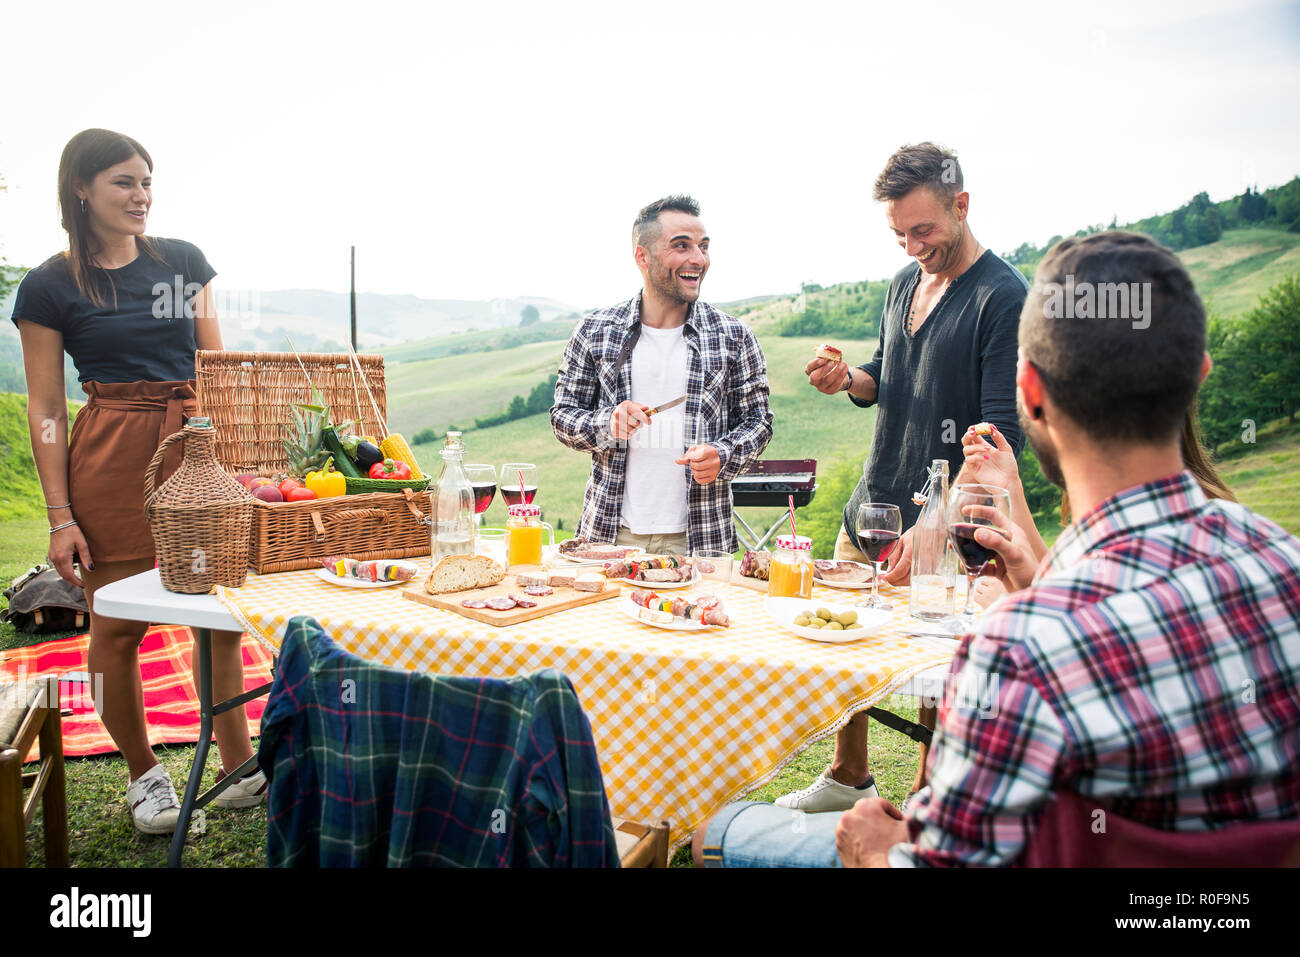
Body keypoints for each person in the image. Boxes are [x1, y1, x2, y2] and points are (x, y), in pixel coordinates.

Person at [694, 230, 1300, 867]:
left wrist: (872, 850)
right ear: (1197, 375)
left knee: (723, 828)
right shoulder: (1284, 566)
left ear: (1030, 394)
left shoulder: (1018, 648)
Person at [12, 129, 264, 835]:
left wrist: (233, 462)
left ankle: (239, 766)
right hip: (110, 455)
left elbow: (216, 367)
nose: (141, 194)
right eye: (124, 181)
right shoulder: (49, 284)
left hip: (196, 450)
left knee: (217, 619)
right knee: (118, 628)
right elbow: (48, 408)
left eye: (147, 180)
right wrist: (60, 514)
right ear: (81, 190)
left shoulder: (182, 262)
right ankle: (142, 774)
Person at [779, 142, 1028, 812]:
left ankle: (924, 798)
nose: (913, 246)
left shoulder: (1003, 297)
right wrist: (848, 379)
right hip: (872, 502)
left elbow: (1001, 432)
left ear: (962, 206)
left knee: (933, 672)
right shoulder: (902, 285)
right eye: (899, 234)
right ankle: (847, 775)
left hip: (951, 522)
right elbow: (888, 379)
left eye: (924, 230)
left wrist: (938, 516)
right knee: (841, 645)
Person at [550, 195, 773, 555]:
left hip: (702, 541)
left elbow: (758, 422)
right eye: (681, 246)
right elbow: (562, 417)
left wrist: (723, 454)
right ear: (643, 257)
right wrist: (608, 423)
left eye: (703, 247)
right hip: (610, 535)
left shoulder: (734, 336)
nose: (698, 259)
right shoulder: (595, 330)